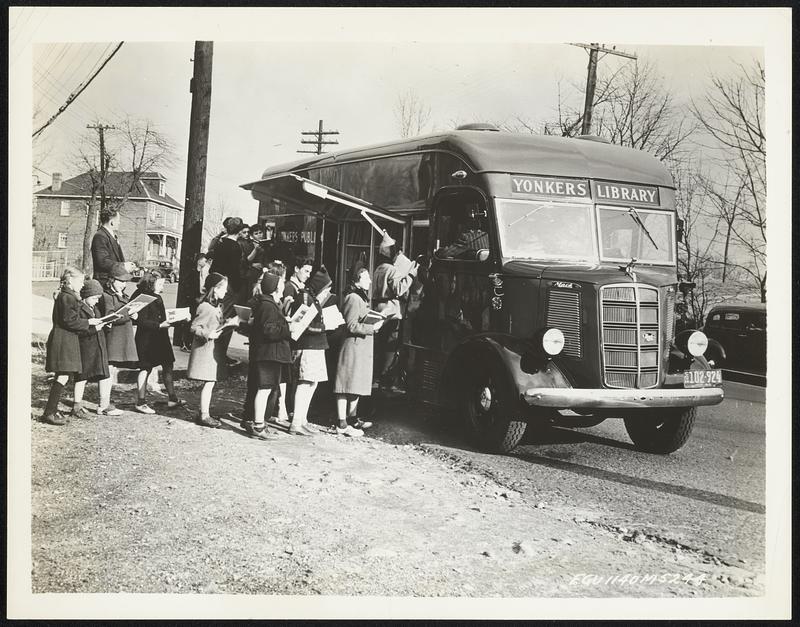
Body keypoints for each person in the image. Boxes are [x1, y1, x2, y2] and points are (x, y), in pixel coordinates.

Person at [41, 267, 105, 426]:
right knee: (62, 375)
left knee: (63, 375)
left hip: (65, 339)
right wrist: (89, 322)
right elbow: (69, 321)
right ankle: (49, 412)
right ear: (70, 281)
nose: (82, 285)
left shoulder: (67, 296)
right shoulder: (68, 298)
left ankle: (51, 410)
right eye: (81, 281)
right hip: (64, 340)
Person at [242, 269, 293, 440]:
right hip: (270, 354)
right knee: (264, 389)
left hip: (265, 353)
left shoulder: (264, 303)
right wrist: (287, 329)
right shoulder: (269, 306)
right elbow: (269, 331)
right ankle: (258, 426)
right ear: (275, 288)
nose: (282, 287)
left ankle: (258, 423)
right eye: (280, 285)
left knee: (264, 389)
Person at [333, 265, 384, 437]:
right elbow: (351, 325)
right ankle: (342, 423)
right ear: (357, 280)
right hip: (353, 348)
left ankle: (352, 418)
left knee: (355, 385)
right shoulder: (353, 298)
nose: (370, 280)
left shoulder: (360, 297)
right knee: (345, 385)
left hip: (359, 348)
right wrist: (372, 327)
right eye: (366, 277)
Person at [286, 267, 332, 436]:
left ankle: (302, 419)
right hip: (308, 346)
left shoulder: (313, 299)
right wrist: (325, 326)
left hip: (316, 346)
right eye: (326, 289)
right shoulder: (304, 298)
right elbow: (302, 324)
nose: (327, 293)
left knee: (312, 383)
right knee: (305, 382)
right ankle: (296, 422)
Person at [131, 271, 185, 414]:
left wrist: (179, 319)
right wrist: (159, 325)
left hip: (161, 337)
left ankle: (172, 398)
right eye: (160, 283)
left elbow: (162, 317)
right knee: (145, 368)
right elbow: (139, 320)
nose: (163, 286)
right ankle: (140, 401)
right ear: (151, 283)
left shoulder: (157, 297)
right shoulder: (140, 296)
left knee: (168, 365)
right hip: (147, 339)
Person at [188, 273, 237, 428]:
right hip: (206, 350)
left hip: (211, 349)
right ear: (214, 289)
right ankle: (204, 414)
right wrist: (208, 333)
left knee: (211, 381)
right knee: (209, 382)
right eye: (223, 288)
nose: (226, 292)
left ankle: (204, 412)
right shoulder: (205, 306)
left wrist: (228, 324)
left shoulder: (215, 305)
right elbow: (194, 327)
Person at [372, 243, 418, 393]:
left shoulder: (378, 269)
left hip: (379, 309)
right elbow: (399, 288)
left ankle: (376, 379)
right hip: (391, 311)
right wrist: (411, 274)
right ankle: (386, 379)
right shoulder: (391, 269)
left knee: (380, 345)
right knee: (390, 347)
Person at [71, 279, 118, 417]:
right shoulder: (79, 309)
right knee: (82, 377)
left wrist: (106, 324)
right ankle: (76, 405)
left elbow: (98, 323)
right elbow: (78, 330)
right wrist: (94, 329)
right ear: (85, 296)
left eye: (98, 298)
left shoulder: (94, 308)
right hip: (86, 348)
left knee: (103, 374)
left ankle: (104, 404)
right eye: (94, 298)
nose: (97, 301)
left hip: (98, 347)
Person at [276, 257, 313, 422]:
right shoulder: (290, 288)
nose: (308, 275)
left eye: (310, 272)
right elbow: (286, 313)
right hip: (290, 336)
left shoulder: (299, 287)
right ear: (296, 269)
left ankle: (288, 408)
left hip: (294, 335)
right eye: (305, 271)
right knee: (288, 375)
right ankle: (283, 408)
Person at [210, 217, 245, 364]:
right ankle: (220, 354)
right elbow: (234, 270)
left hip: (215, 283)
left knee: (215, 317)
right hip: (229, 286)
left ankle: (212, 352)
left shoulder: (220, 243)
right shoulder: (235, 247)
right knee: (227, 320)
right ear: (239, 230)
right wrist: (239, 286)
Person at [98, 262, 139, 387]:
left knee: (112, 370)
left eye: (125, 282)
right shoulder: (108, 296)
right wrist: (128, 314)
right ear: (112, 280)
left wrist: (134, 316)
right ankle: (103, 402)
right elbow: (110, 316)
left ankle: (105, 400)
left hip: (123, 336)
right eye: (120, 281)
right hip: (114, 338)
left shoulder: (123, 295)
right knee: (108, 370)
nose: (123, 284)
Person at [91, 207, 137, 284]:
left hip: (113, 281)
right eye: (118, 221)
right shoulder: (100, 236)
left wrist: (126, 266)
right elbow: (102, 262)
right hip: (105, 282)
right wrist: (123, 266)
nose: (119, 223)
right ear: (112, 222)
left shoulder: (109, 235)